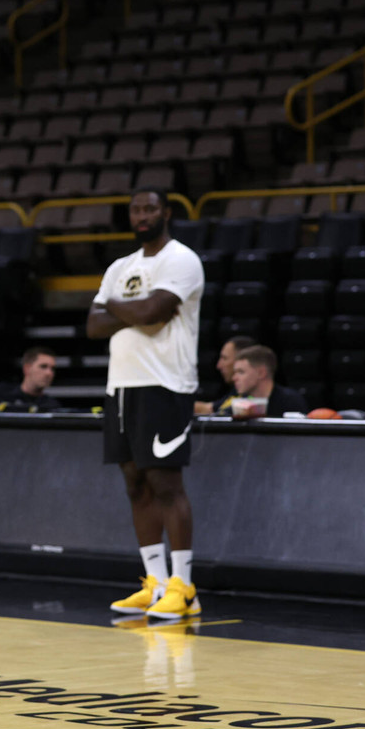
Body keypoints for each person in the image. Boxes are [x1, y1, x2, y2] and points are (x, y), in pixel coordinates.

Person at [87, 188, 206, 622]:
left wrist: (116, 306)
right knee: (135, 483)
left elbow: (156, 311)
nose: (142, 215)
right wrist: (133, 309)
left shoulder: (181, 259)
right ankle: (155, 584)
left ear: (166, 213)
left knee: (165, 484)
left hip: (164, 385)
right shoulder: (121, 266)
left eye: (150, 208)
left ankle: (185, 587)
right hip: (120, 387)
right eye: (136, 209)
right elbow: (93, 325)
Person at [228, 345, 308, 418]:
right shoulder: (239, 403)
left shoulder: (290, 401)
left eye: (241, 372)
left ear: (261, 373)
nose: (234, 378)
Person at [193, 333, 257, 415]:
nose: (218, 366)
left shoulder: (253, 395)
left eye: (224, 358)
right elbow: (209, 408)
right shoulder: (237, 392)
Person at [0, 347, 63, 411]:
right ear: (27, 368)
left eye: (52, 369)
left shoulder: (51, 406)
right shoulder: (0, 393)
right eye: (43, 366)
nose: (49, 373)